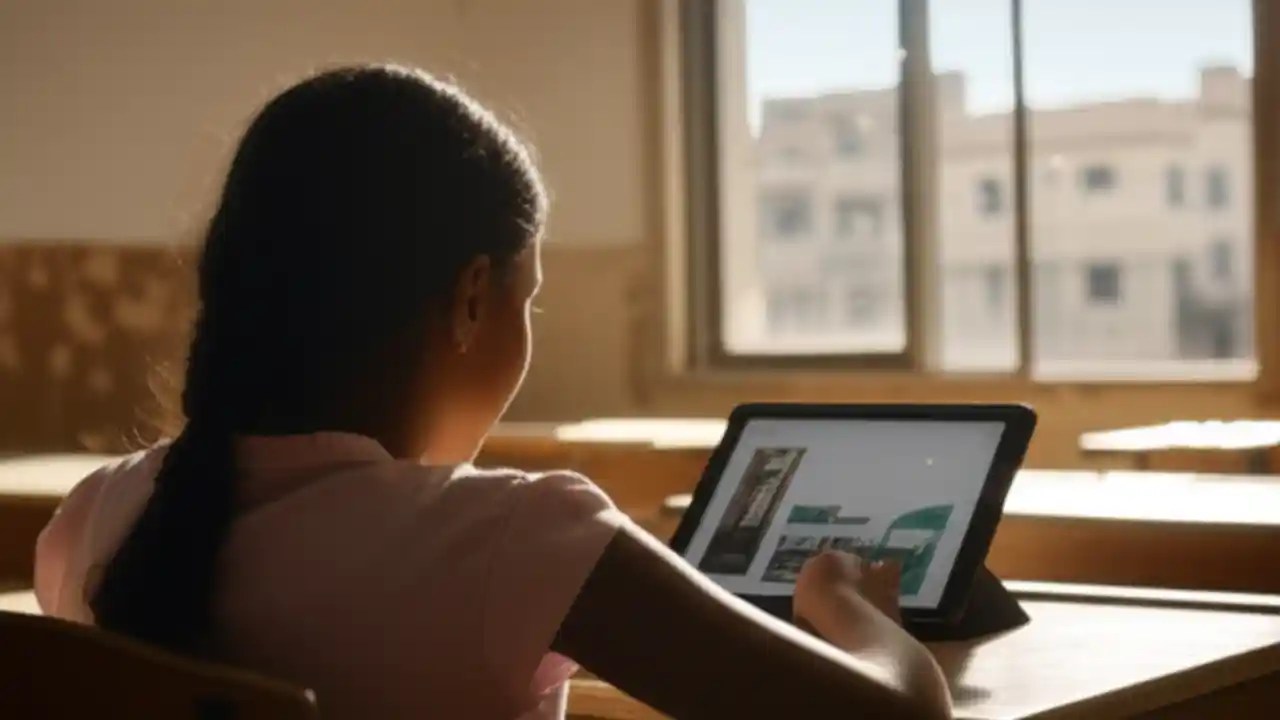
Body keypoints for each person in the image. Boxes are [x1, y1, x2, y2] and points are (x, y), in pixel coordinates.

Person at [33, 64, 950, 719]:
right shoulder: (518, 541)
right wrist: (840, 599)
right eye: (529, 300)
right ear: (472, 299)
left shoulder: (94, 522)